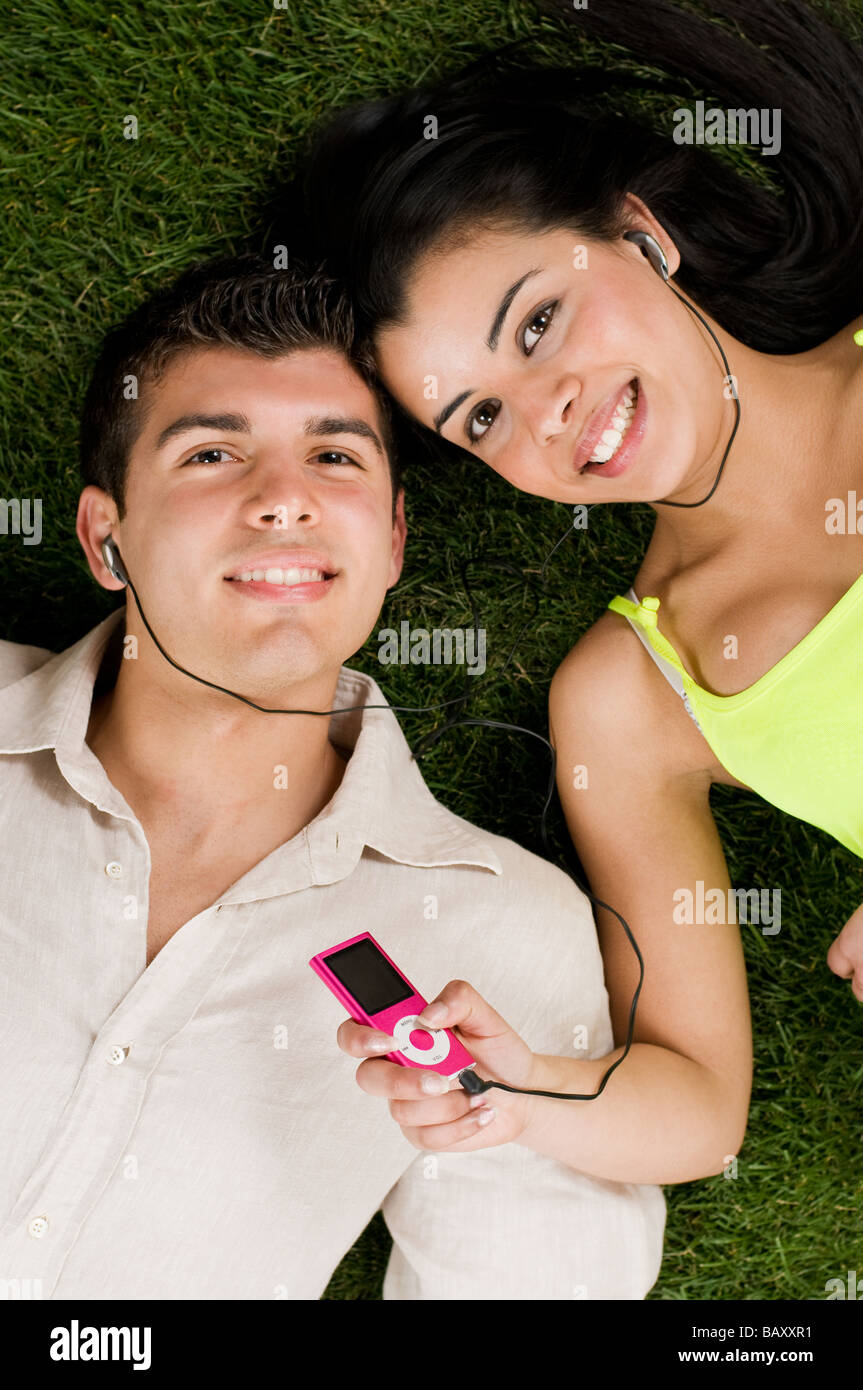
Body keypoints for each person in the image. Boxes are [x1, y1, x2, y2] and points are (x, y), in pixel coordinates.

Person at [0, 252, 670, 1301]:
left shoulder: (500, 933)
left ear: (394, 538)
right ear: (105, 537)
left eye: (336, 458)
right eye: (213, 454)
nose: (282, 501)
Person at [285, 0, 863, 1152]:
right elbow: (695, 1107)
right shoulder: (630, 696)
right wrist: (519, 1089)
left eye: (539, 319)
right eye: (481, 417)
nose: (543, 411)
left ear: (641, 234)